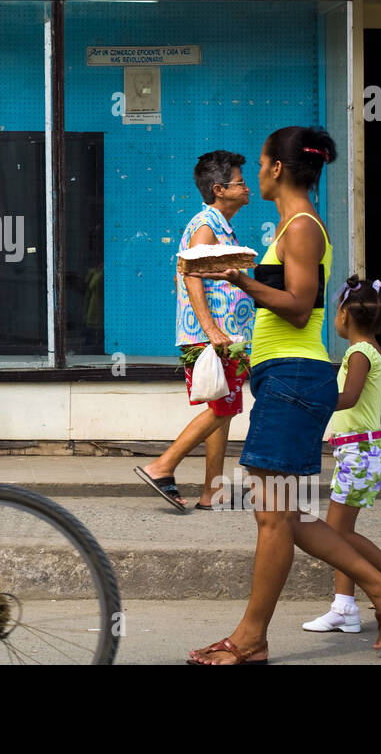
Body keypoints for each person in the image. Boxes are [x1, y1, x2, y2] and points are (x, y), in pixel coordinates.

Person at [185, 126, 381, 664]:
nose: (257, 173)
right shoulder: (292, 225)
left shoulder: (303, 227)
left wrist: (239, 280)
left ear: (277, 169)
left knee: (273, 515)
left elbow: (297, 304)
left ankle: (250, 640)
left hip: (293, 377)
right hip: (285, 377)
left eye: (261, 164)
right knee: (285, 513)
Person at [303, 275, 381, 634]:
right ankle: (344, 608)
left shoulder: (359, 353)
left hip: (359, 451)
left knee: (334, 534)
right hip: (366, 451)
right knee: (340, 533)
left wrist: (309, 402)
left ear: (344, 315)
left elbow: (349, 398)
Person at [135, 150, 253, 511]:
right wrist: (211, 328)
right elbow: (191, 275)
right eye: (240, 182)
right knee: (225, 407)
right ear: (219, 189)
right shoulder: (206, 225)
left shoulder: (219, 225)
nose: (247, 187)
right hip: (213, 336)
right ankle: (162, 466)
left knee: (223, 406)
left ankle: (211, 492)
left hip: (223, 335)